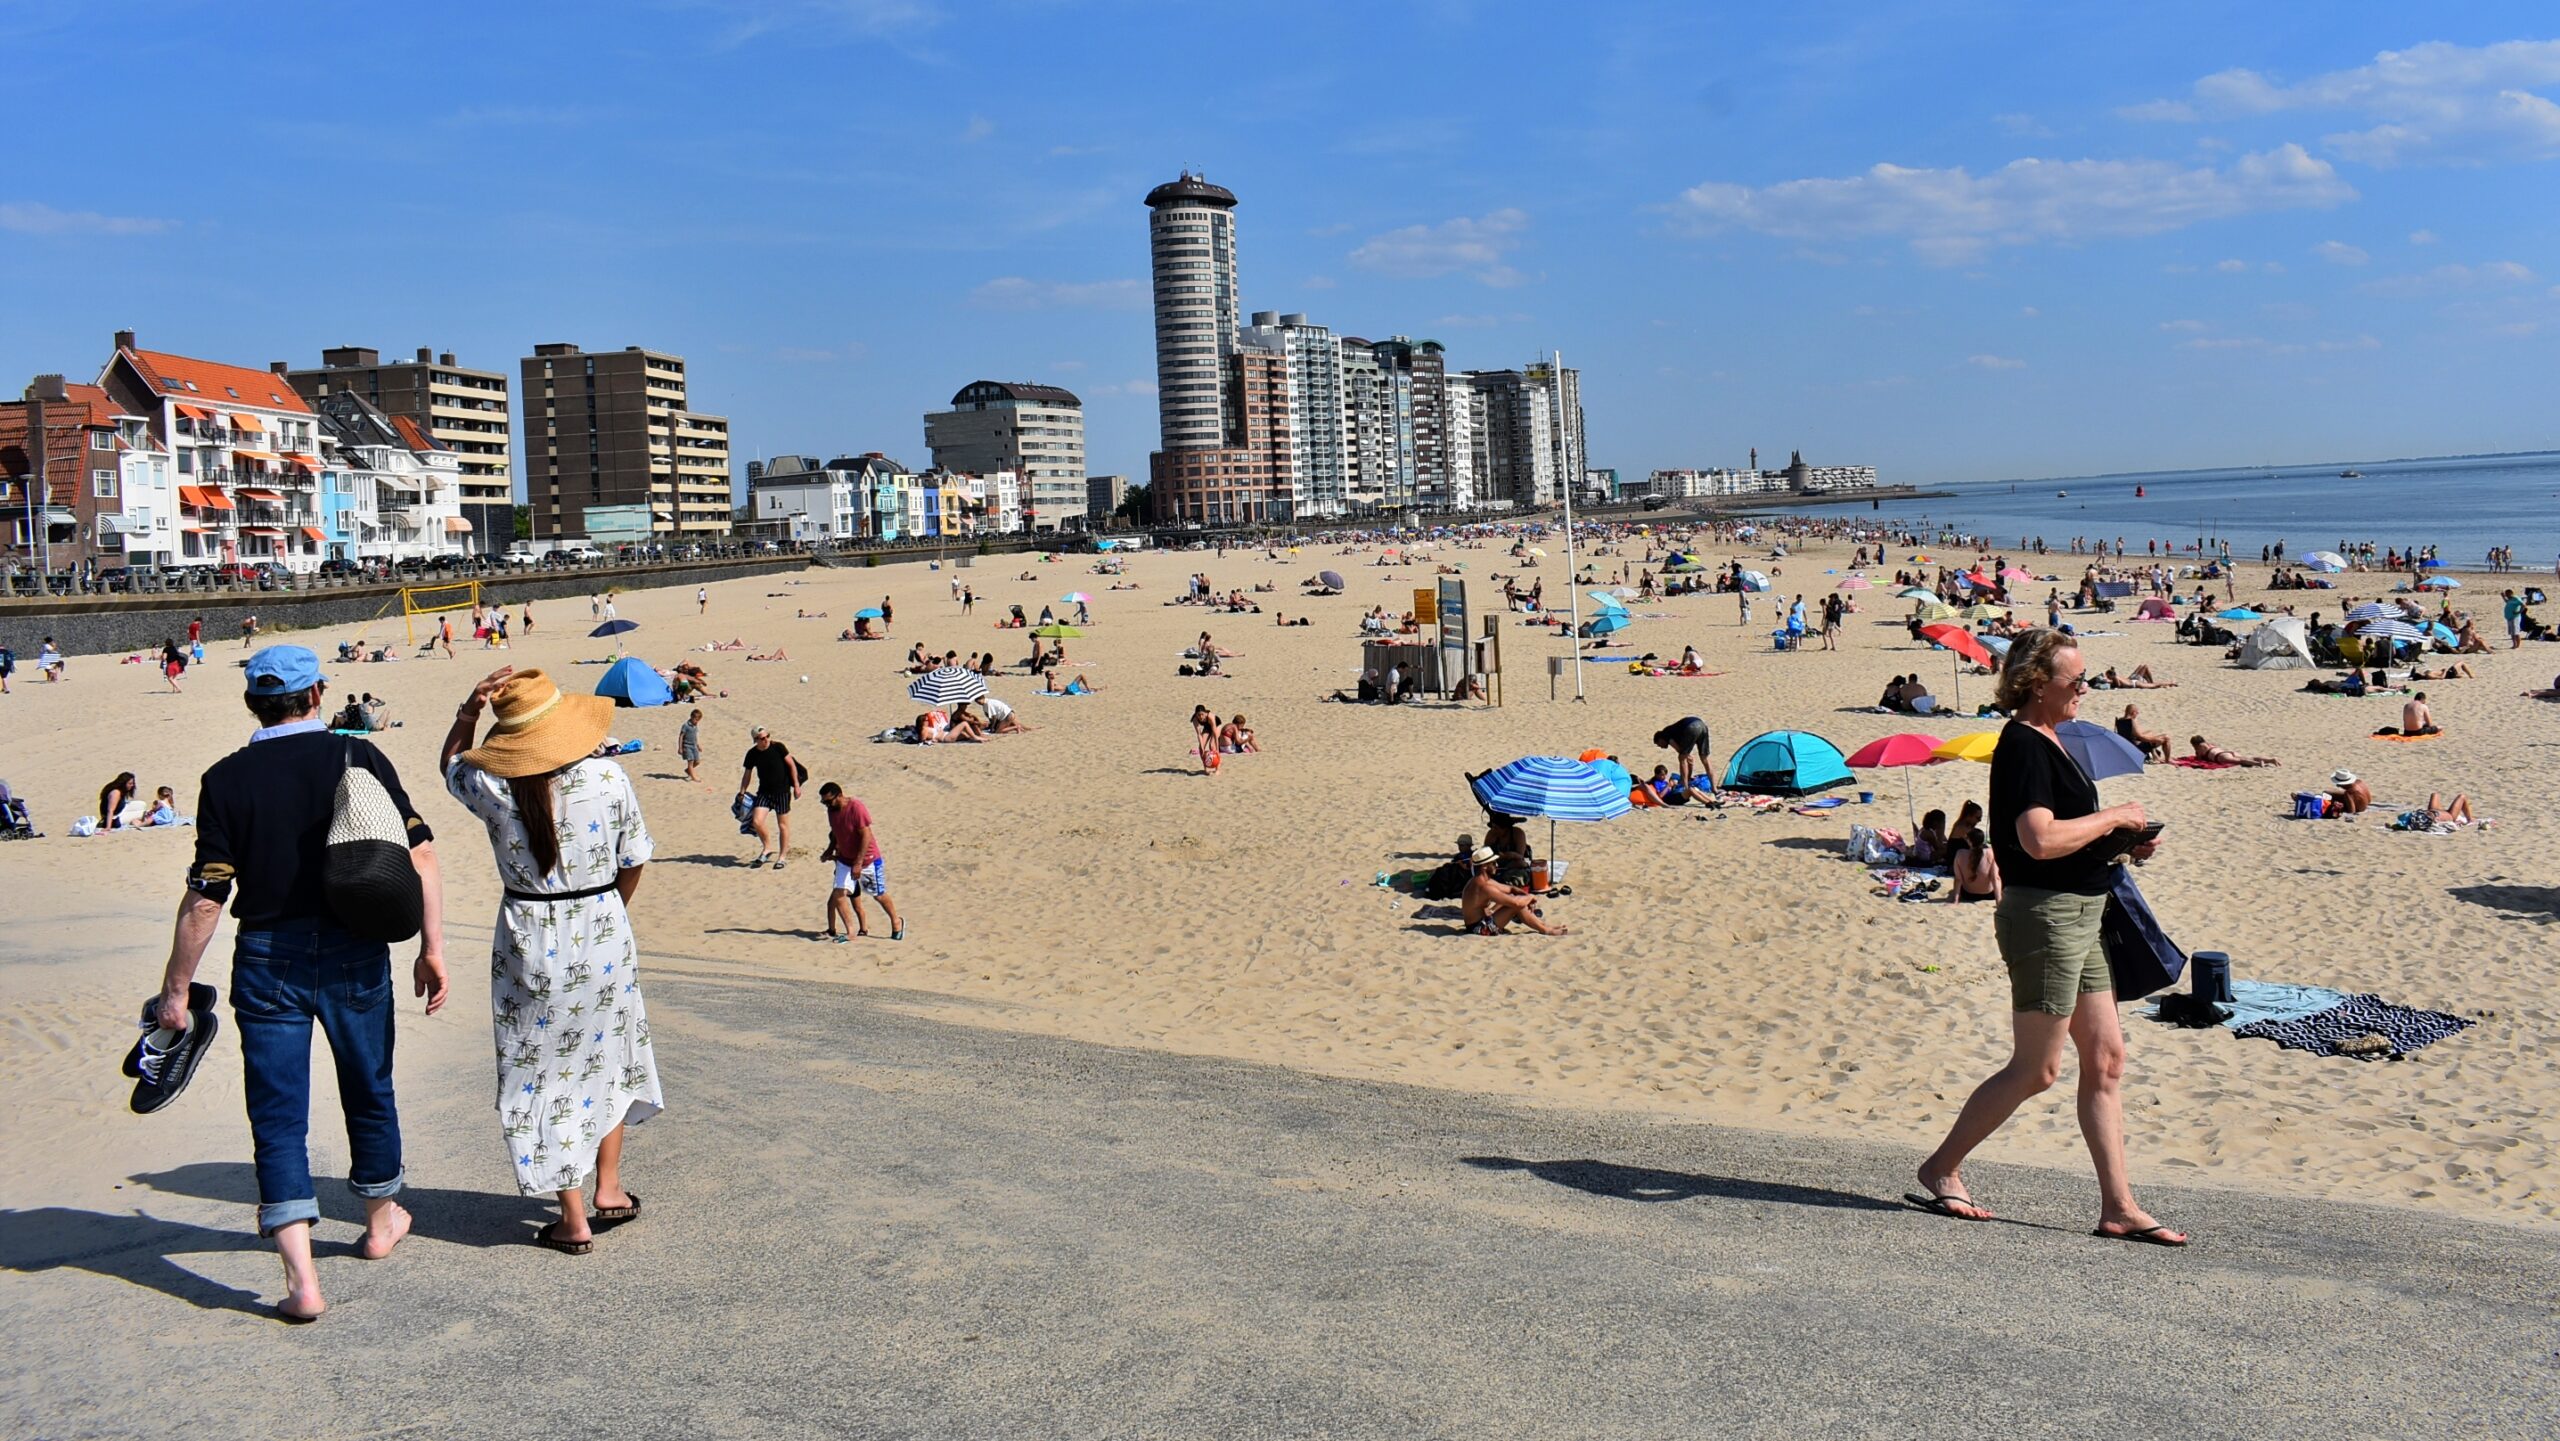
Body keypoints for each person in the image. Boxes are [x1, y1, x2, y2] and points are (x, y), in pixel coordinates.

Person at [154, 645, 450, 1319]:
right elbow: (422, 853)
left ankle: (301, 1280)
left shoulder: (225, 779)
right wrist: (431, 949)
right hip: (354, 947)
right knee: (368, 1085)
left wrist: (176, 989)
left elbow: (208, 896)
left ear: (253, 701)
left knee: (277, 1109)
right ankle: (380, 1221)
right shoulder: (358, 756)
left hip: (267, 954)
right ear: (317, 693)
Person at [1914, 628, 2185, 1246]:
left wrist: (2121, 844)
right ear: (2038, 684)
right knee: (2038, 1068)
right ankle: (1941, 1167)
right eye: (2075, 681)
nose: (2085, 690)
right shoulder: (2023, 745)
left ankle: (2118, 1207)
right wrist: (2116, 815)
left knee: (2108, 1060)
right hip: (2047, 918)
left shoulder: (2051, 741)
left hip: (2085, 910)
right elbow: (2038, 840)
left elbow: (2063, 834)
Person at [440, 667, 659, 1255]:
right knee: (609, 1052)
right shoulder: (608, 777)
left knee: (541, 1072)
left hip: (531, 931)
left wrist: (470, 708)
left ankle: (572, 1215)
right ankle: (608, 1188)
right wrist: (609, 909)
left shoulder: (490, 786)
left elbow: (451, 765)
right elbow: (634, 857)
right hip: (602, 925)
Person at [818, 781, 905, 943]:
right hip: (845, 859)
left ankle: (896, 921)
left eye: (829, 801)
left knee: (878, 895)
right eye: (824, 802)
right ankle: (851, 932)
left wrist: (858, 862)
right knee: (839, 894)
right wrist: (830, 849)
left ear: (839, 795)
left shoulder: (856, 807)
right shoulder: (832, 811)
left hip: (869, 860)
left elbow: (866, 835)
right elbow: (836, 832)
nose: (827, 805)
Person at [1460, 846, 1568, 936]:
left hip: (1482, 921)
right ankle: (1545, 930)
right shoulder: (1484, 886)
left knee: (1516, 898)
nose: (1496, 865)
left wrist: (1524, 895)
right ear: (1484, 866)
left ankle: (1545, 926)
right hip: (1478, 929)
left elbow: (1511, 889)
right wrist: (1530, 897)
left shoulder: (1484, 880)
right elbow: (1516, 902)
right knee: (1517, 906)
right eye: (1493, 863)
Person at [737, 727, 803, 868]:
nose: (766, 739)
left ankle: (782, 857)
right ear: (755, 740)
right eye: (762, 738)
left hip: (782, 792)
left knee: (783, 825)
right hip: (764, 792)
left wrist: (796, 785)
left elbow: (791, 765)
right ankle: (767, 848)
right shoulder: (752, 754)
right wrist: (742, 792)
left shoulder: (778, 747)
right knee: (756, 821)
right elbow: (747, 774)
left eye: (767, 736)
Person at [1652, 716, 1715, 799]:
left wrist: (1687, 756)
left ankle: (1685, 787)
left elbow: (1680, 751)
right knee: (1705, 758)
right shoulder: (1672, 731)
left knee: (1681, 758)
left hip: (1691, 727)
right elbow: (1685, 754)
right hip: (1702, 725)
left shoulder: (1665, 734)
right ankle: (1714, 788)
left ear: (1660, 739)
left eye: (1659, 744)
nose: (1660, 747)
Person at [1191, 704, 1221, 773]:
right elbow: (1199, 734)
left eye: (1202, 714)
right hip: (1207, 728)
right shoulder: (1195, 720)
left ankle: (1218, 769)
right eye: (1198, 715)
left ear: (1205, 713)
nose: (1201, 717)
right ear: (1196, 714)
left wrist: (1217, 750)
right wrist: (1202, 747)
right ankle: (1206, 768)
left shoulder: (1210, 717)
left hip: (1217, 725)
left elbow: (1215, 733)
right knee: (1201, 748)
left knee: (1212, 746)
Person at [677, 708, 703, 783]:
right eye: (696, 720)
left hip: (694, 746)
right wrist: (680, 748)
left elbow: (695, 736)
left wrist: (698, 745)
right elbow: (681, 736)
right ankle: (693, 777)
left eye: (698, 720)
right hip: (687, 746)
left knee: (697, 761)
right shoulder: (685, 725)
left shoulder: (695, 726)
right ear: (691, 717)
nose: (697, 722)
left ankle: (688, 770)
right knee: (690, 761)